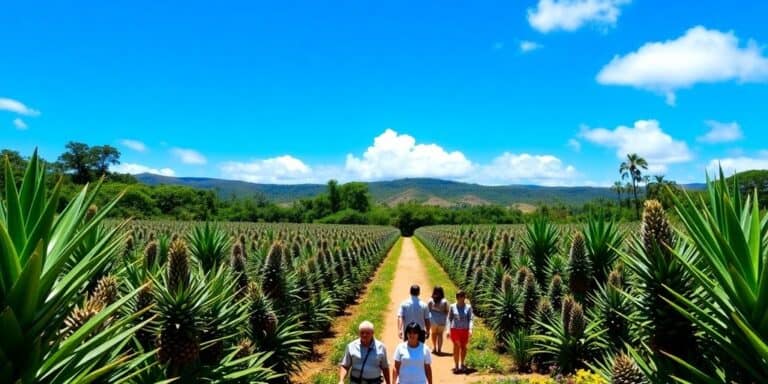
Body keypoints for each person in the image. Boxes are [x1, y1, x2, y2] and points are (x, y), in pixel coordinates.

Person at [447, 290, 473, 374]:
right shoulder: (452, 306)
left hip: (465, 330)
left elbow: (471, 319)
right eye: (458, 298)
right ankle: (456, 365)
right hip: (455, 330)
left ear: (464, 298)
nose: (460, 299)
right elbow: (449, 319)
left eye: (462, 297)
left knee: (463, 347)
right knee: (456, 346)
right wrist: (447, 330)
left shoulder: (468, 307)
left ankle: (462, 363)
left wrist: (470, 329)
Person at [427, 286, 448, 354]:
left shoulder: (430, 300)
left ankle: (434, 348)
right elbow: (447, 311)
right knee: (440, 335)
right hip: (442, 321)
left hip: (433, 321)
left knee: (433, 334)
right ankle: (439, 349)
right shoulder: (444, 301)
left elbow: (428, 311)